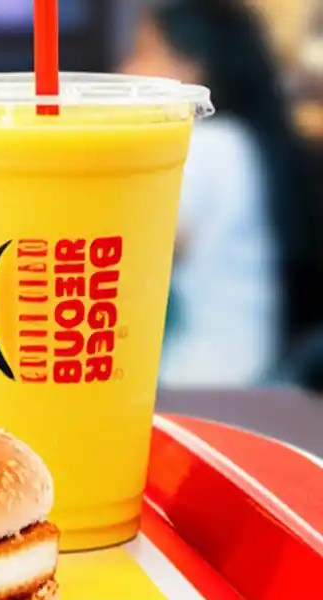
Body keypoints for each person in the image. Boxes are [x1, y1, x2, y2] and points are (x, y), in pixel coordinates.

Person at [123, 0, 313, 387]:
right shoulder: (242, 137)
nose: (124, 70)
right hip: (244, 362)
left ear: (192, 71)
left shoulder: (204, 146)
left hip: (204, 377)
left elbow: (143, 247)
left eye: (143, 53)